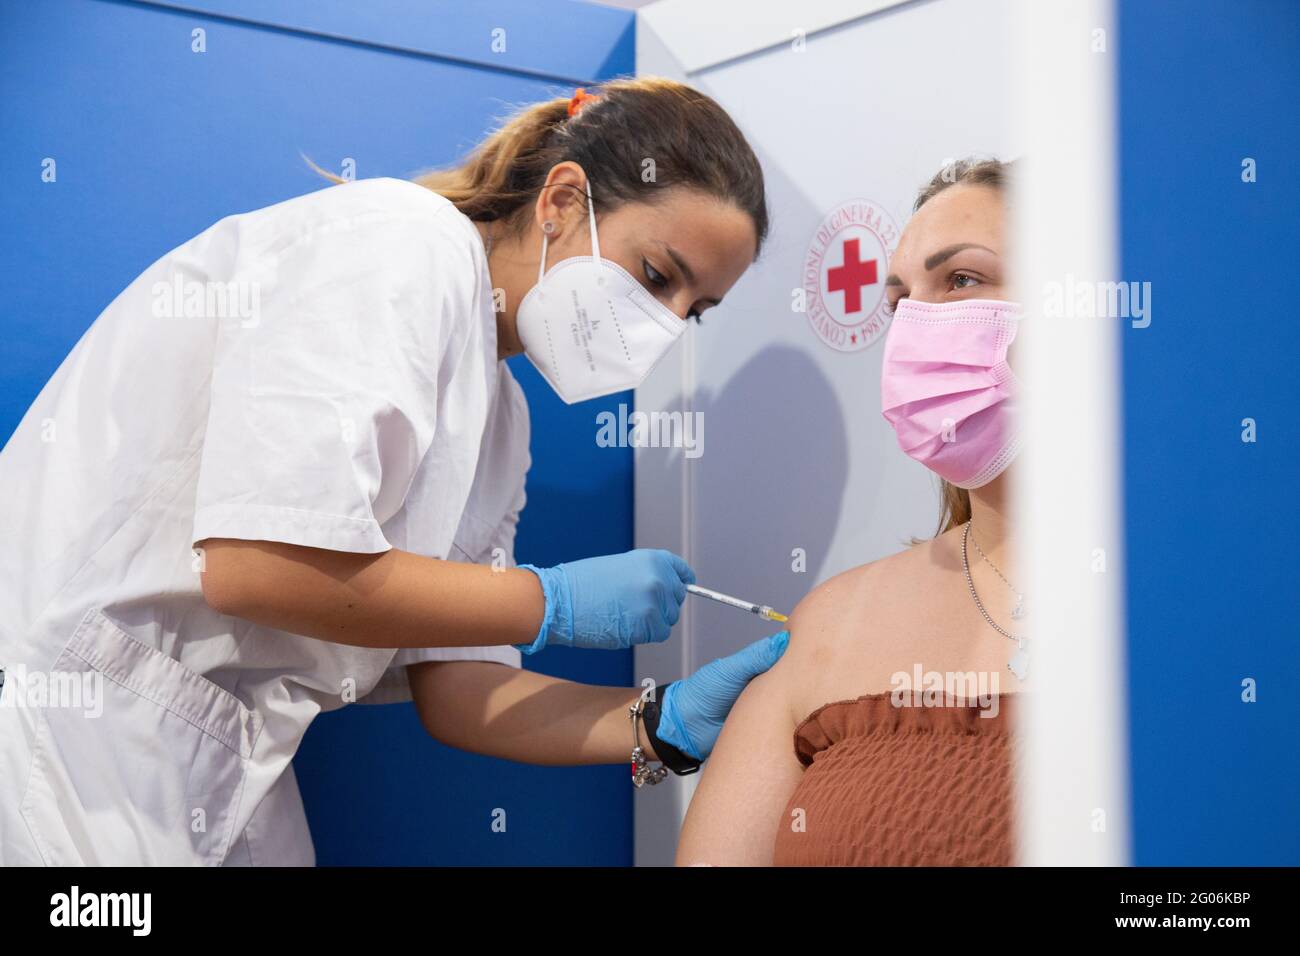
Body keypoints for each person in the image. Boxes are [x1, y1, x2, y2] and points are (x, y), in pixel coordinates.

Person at [0, 77, 786, 866]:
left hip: (213, 753)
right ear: (561, 200)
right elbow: (256, 567)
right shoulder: (401, 243)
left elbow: (463, 698)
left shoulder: (501, 421)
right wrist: (552, 601)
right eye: (656, 274)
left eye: (694, 308)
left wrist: (664, 724)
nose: (667, 322)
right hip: (70, 712)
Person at [676, 158, 1025, 866]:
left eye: (962, 281)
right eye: (901, 302)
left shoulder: (1207, 613)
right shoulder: (833, 624)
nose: (917, 328)